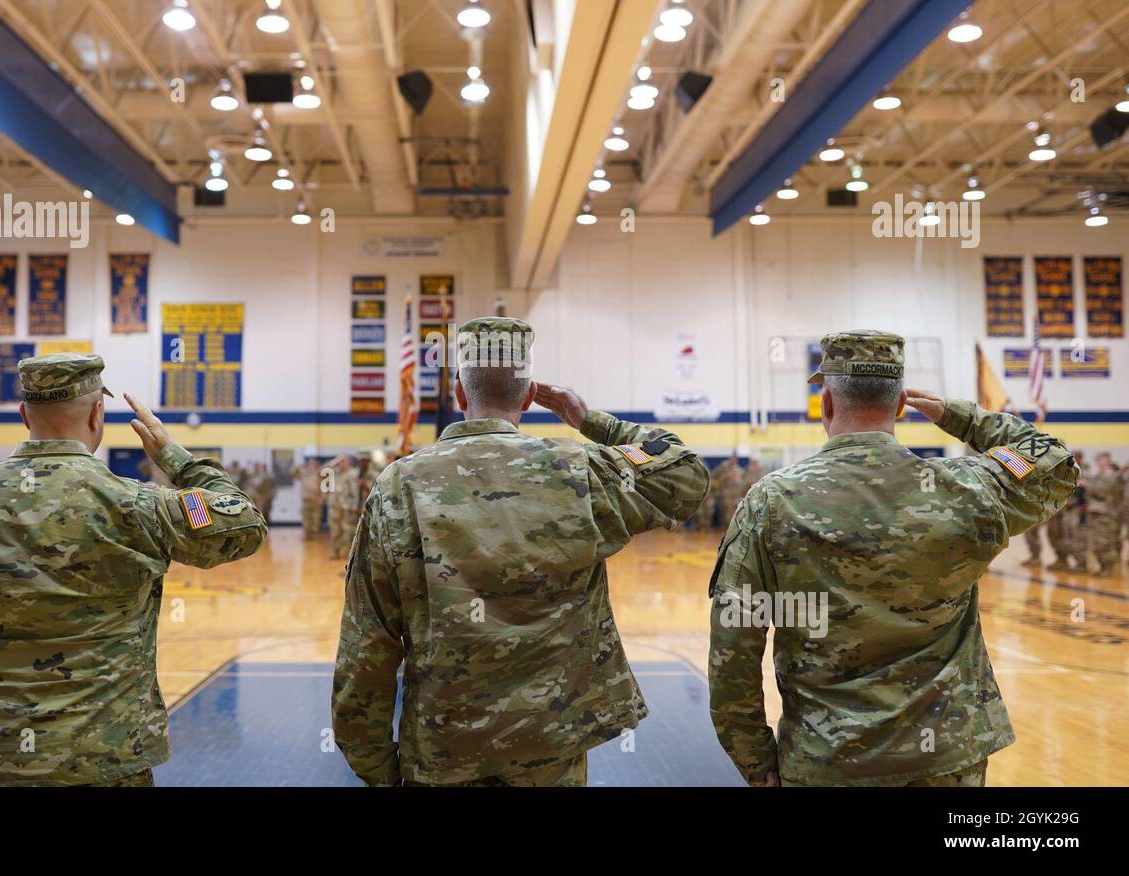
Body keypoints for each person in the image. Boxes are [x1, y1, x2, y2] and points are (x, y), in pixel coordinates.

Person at [333, 316, 709, 786]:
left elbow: (368, 644)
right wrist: (589, 420)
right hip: (552, 746)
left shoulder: (399, 485)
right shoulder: (581, 470)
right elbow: (686, 472)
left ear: (459, 394)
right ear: (530, 396)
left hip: (443, 751)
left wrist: (374, 765)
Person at [708, 330, 1078, 787]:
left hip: (827, 760)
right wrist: (959, 416)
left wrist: (756, 761)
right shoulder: (968, 489)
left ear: (825, 402)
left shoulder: (771, 502)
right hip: (945, 759)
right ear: (901, 404)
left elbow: (735, 649)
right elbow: (1055, 462)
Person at [0, 353, 266, 787]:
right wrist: (175, 457)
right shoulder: (139, 506)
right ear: (97, 413)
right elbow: (243, 523)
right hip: (106, 763)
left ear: (25, 415)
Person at [1085, 452, 1124, 575]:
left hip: (1106, 514)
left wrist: (1088, 485)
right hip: (1097, 513)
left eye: (1100, 460)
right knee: (1097, 542)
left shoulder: (1110, 475)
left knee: (1106, 542)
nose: (1098, 462)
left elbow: (1101, 492)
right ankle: (1102, 566)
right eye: (1097, 460)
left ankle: (1108, 567)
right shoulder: (1099, 475)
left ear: (1107, 460)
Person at [329, 456, 362, 561]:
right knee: (335, 530)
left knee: (346, 530)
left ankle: (346, 553)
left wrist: (355, 505)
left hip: (346, 507)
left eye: (344, 461)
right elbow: (322, 470)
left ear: (348, 462)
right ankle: (335, 551)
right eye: (340, 462)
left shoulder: (353, 473)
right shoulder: (334, 472)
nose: (341, 464)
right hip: (335, 506)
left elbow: (355, 491)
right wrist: (335, 461)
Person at [291, 458, 323, 540]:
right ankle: (307, 535)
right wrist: (300, 465)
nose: (311, 466)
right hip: (306, 500)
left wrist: (322, 498)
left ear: (316, 465)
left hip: (316, 500)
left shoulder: (319, 473)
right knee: (306, 519)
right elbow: (292, 472)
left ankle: (314, 536)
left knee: (315, 520)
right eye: (309, 464)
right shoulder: (303, 473)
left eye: (313, 464)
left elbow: (325, 487)